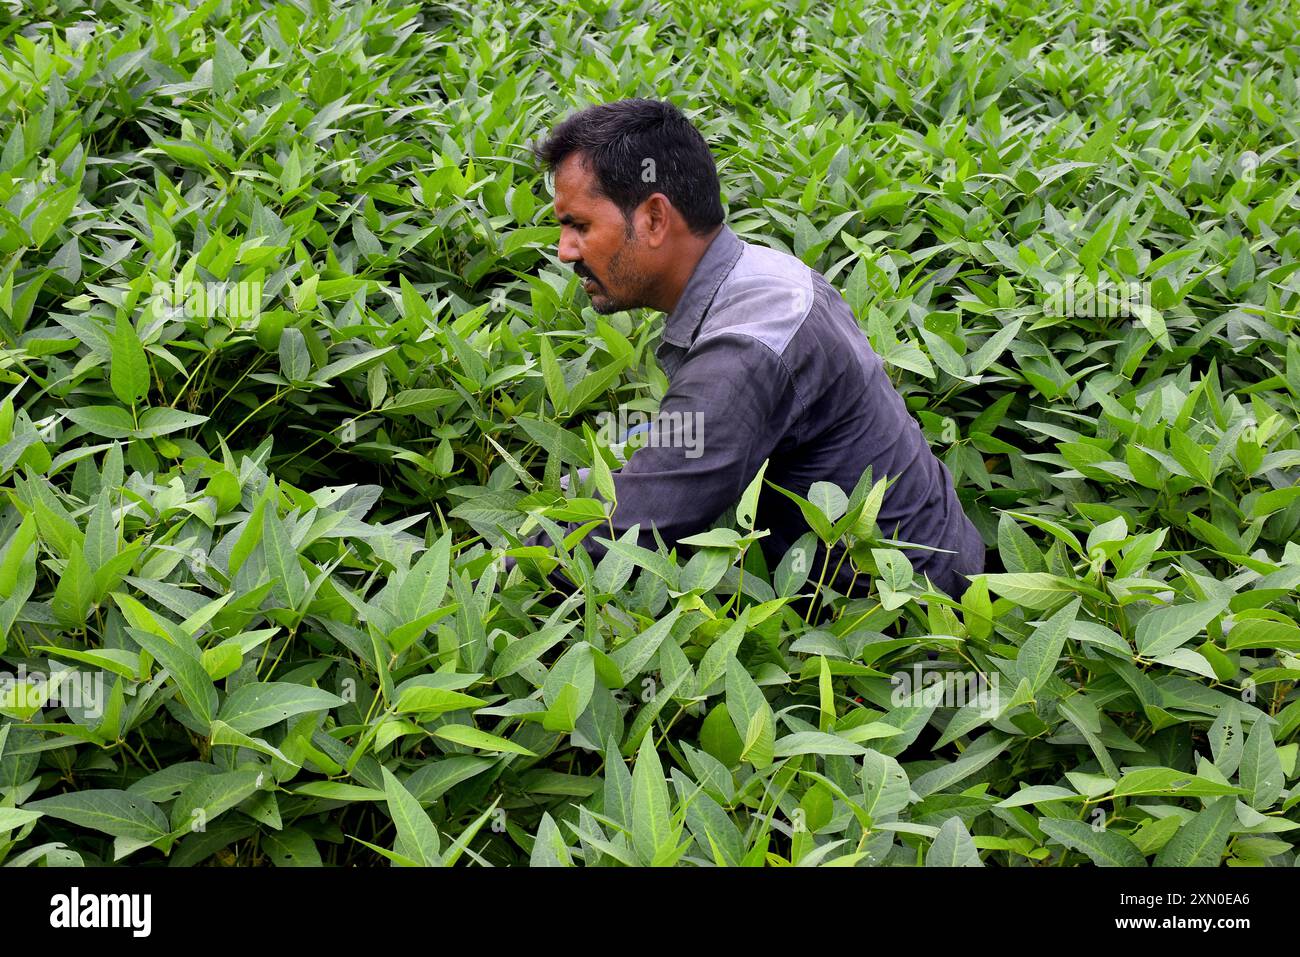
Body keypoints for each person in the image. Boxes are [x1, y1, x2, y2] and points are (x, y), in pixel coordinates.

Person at [503, 98, 984, 603]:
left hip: (897, 613)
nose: (564, 251)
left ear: (653, 219)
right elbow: (682, 449)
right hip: (933, 558)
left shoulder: (747, 347)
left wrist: (490, 574)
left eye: (579, 225)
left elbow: (628, 528)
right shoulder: (764, 273)